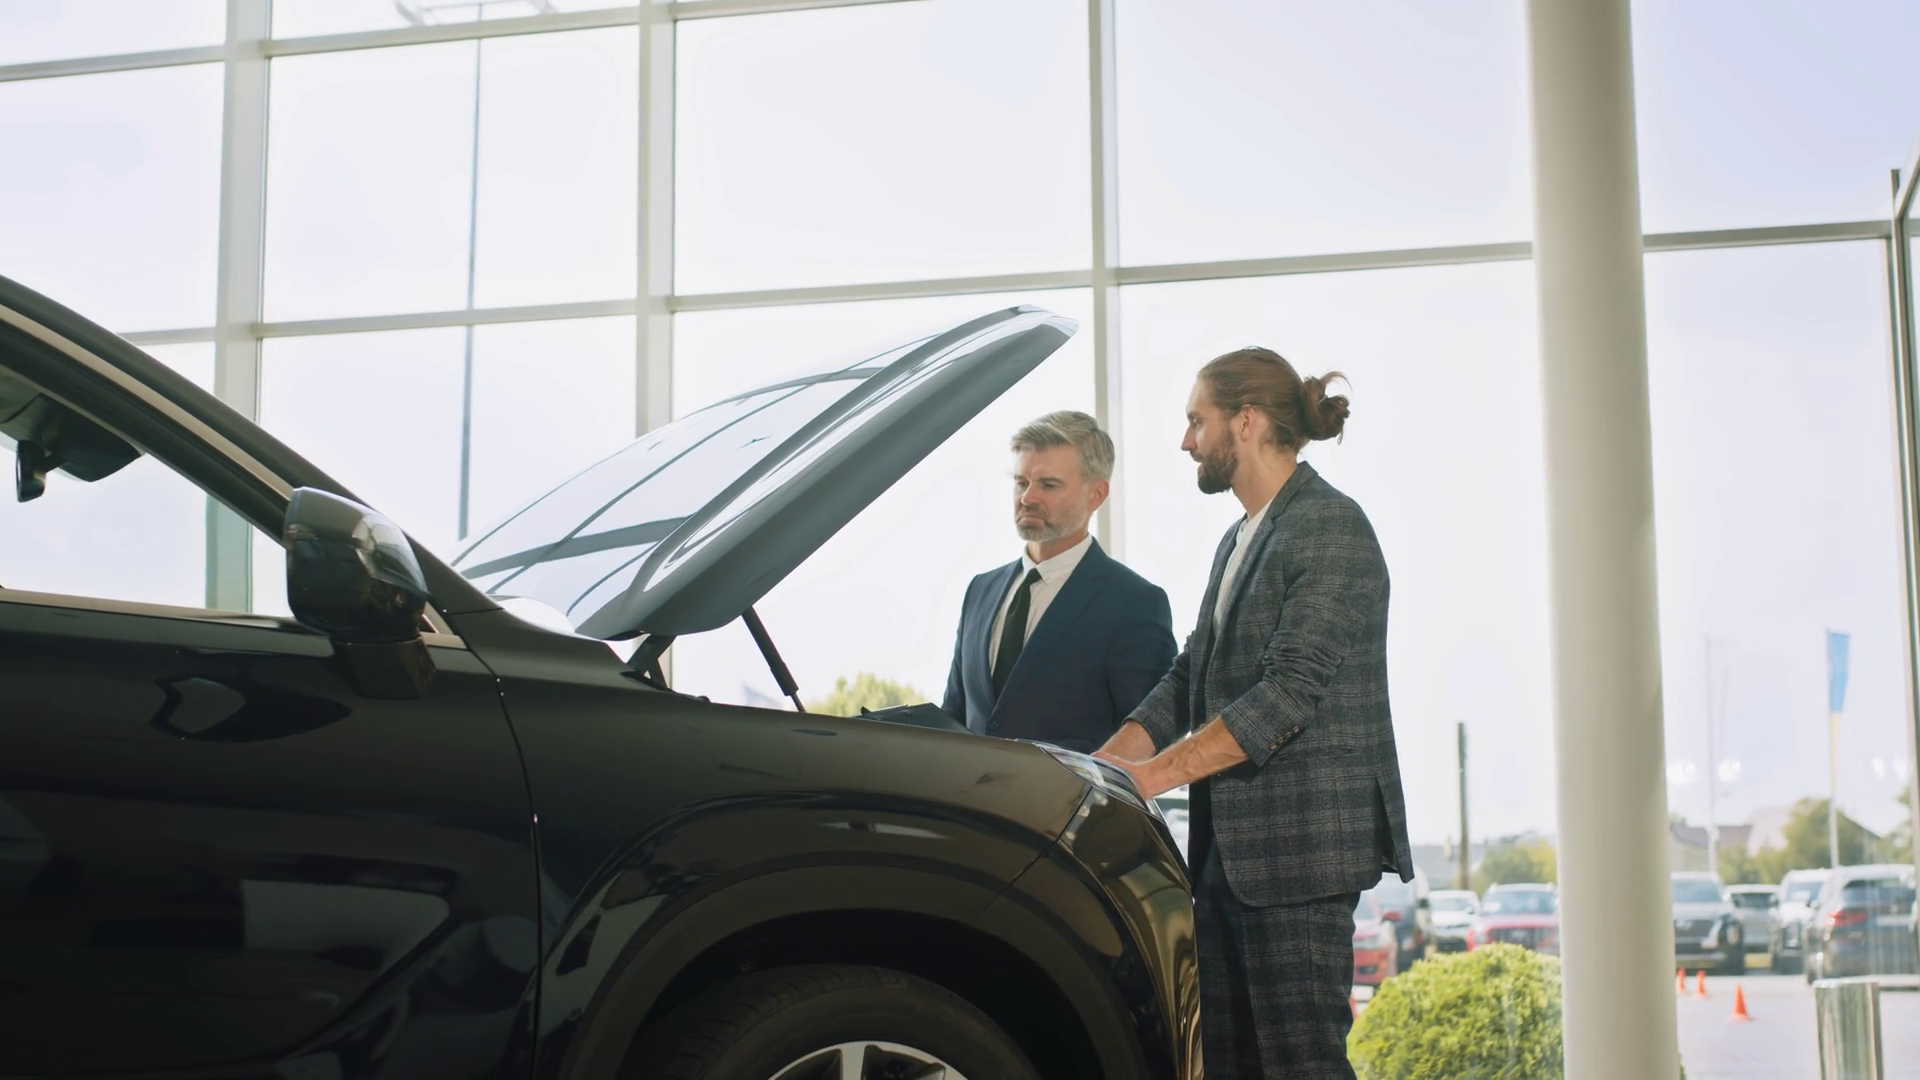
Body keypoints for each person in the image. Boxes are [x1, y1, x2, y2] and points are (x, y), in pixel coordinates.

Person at [1094, 348, 1413, 1080]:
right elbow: (1187, 678)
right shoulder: (1238, 539)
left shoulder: (1332, 528)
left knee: (1302, 1066)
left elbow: (1287, 693)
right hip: (1226, 862)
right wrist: (1104, 766)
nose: (1185, 442)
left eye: (1195, 421)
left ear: (1245, 421)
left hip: (1299, 858)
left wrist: (1150, 779)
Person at [942, 411, 1175, 753]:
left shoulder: (1134, 603)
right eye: (1021, 482)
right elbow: (955, 718)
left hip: (1070, 805)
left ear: (1096, 495)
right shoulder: (980, 590)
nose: (1027, 498)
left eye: (1048, 485)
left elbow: (1151, 737)